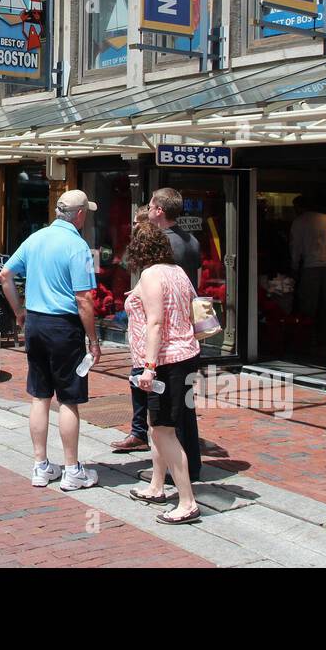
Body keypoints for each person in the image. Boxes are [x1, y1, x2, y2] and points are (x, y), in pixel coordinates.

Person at [0, 190, 99, 490]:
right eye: (87, 213)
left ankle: (40, 466)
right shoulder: (77, 245)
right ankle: (72, 470)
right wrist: (93, 340)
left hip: (36, 322)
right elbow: (84, 299)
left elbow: (5, 274)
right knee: (69, 398)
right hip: (64, 326)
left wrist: (19, 310)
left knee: (40, 396)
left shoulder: (36, 238)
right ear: (79, 214)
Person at [113, 187, 205, 473]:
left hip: (165, 344)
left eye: (151, 206)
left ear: (159, 211)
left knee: (163, 419)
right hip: (184, 337)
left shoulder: (163, 252)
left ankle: (173, 475)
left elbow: (155, 318)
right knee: (183, 409)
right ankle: (181, 466)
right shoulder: (192, 242)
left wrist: (149, 366)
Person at [123, 223, 202, 523]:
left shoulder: (151, 274)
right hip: (185, 355)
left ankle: (187, 501)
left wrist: (149, 366)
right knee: (156, 424)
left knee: (165, 431)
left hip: (167, 361)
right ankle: (157, 486)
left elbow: (156, 322)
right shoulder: (177, 271)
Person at [290, 196, 326, 351]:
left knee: (309, 305)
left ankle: (309, 339)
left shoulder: (299, 222)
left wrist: (294, 266)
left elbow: (296, 247)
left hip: (310, 266)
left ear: (299, 207)